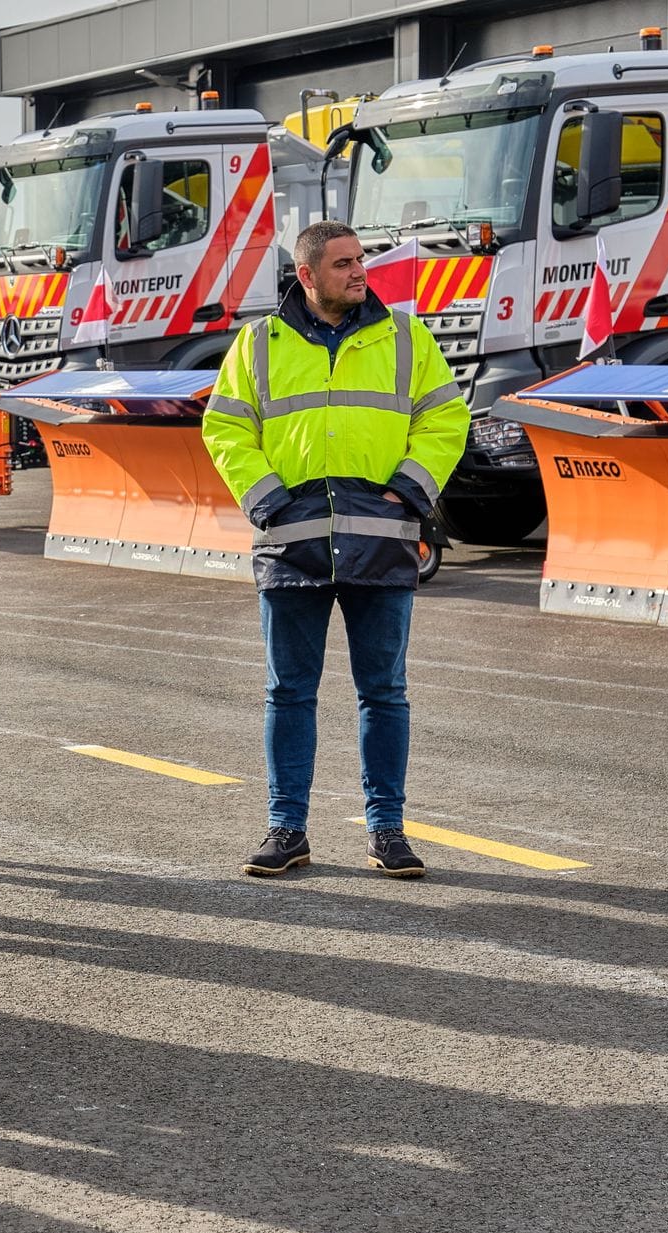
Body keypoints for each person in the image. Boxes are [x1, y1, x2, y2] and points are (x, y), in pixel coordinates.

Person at [200, 219, 470, 879]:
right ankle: (287, 829)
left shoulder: (405, 335)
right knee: (289, 692)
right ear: (308, 275)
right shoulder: (259, 342)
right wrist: (269, 501)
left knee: (385, 693)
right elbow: (225, 428)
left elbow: (445, 416)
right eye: (343, 263)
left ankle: (388, 833)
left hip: (381, 541)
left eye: (360, 260)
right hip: (291, 545)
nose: (359, 272)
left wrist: (408, 491)